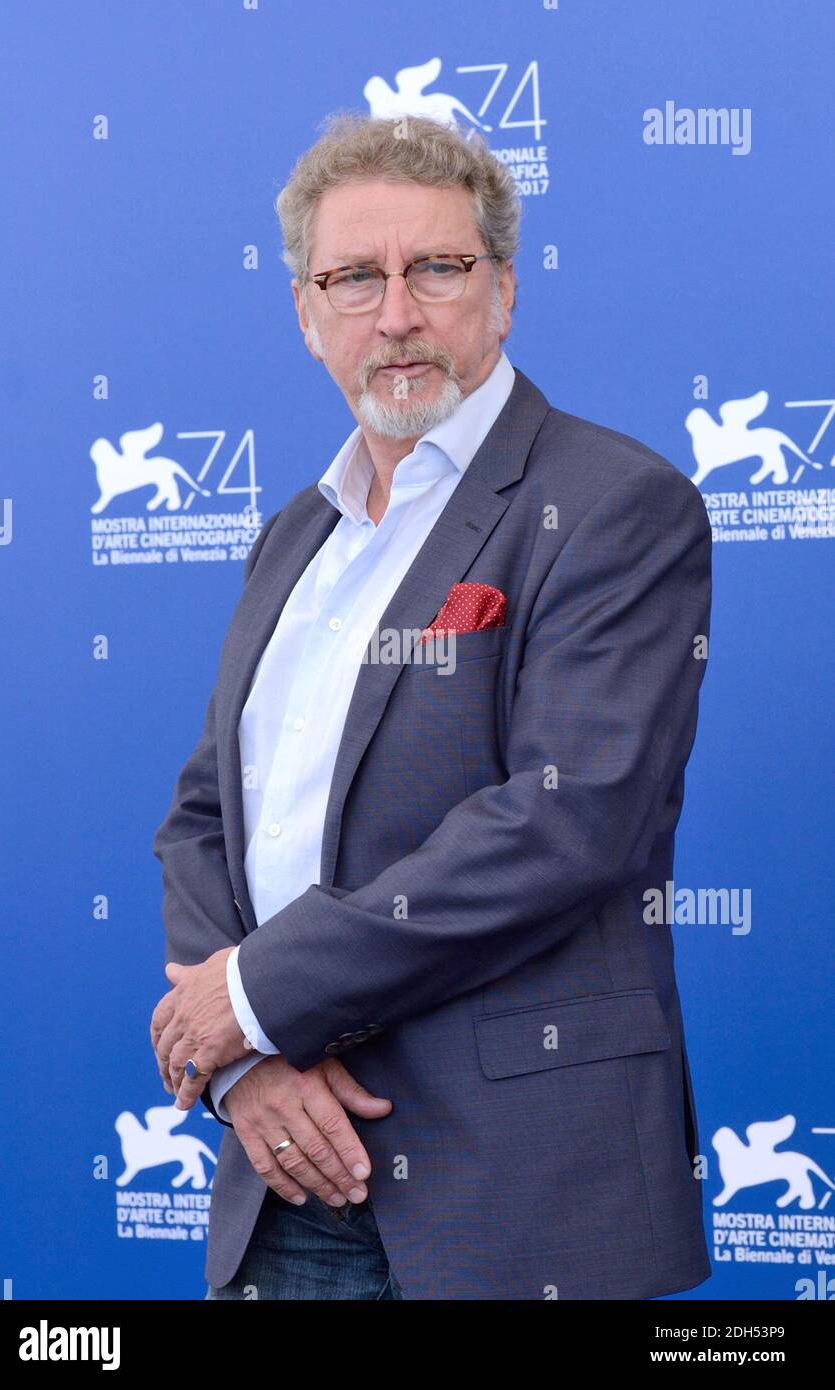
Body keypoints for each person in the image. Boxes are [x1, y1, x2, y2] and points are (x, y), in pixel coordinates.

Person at [150, 111, 713, 1300]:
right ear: (307, 316)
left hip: (515, 1202)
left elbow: (566, 820)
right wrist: (243, 1058)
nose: (395, 312)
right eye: (354, 277)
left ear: (502, 293)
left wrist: (252, 996)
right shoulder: (292, 538)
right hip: (286, 1180)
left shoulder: (614, 505)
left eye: (436, 269)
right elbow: (206, 818)